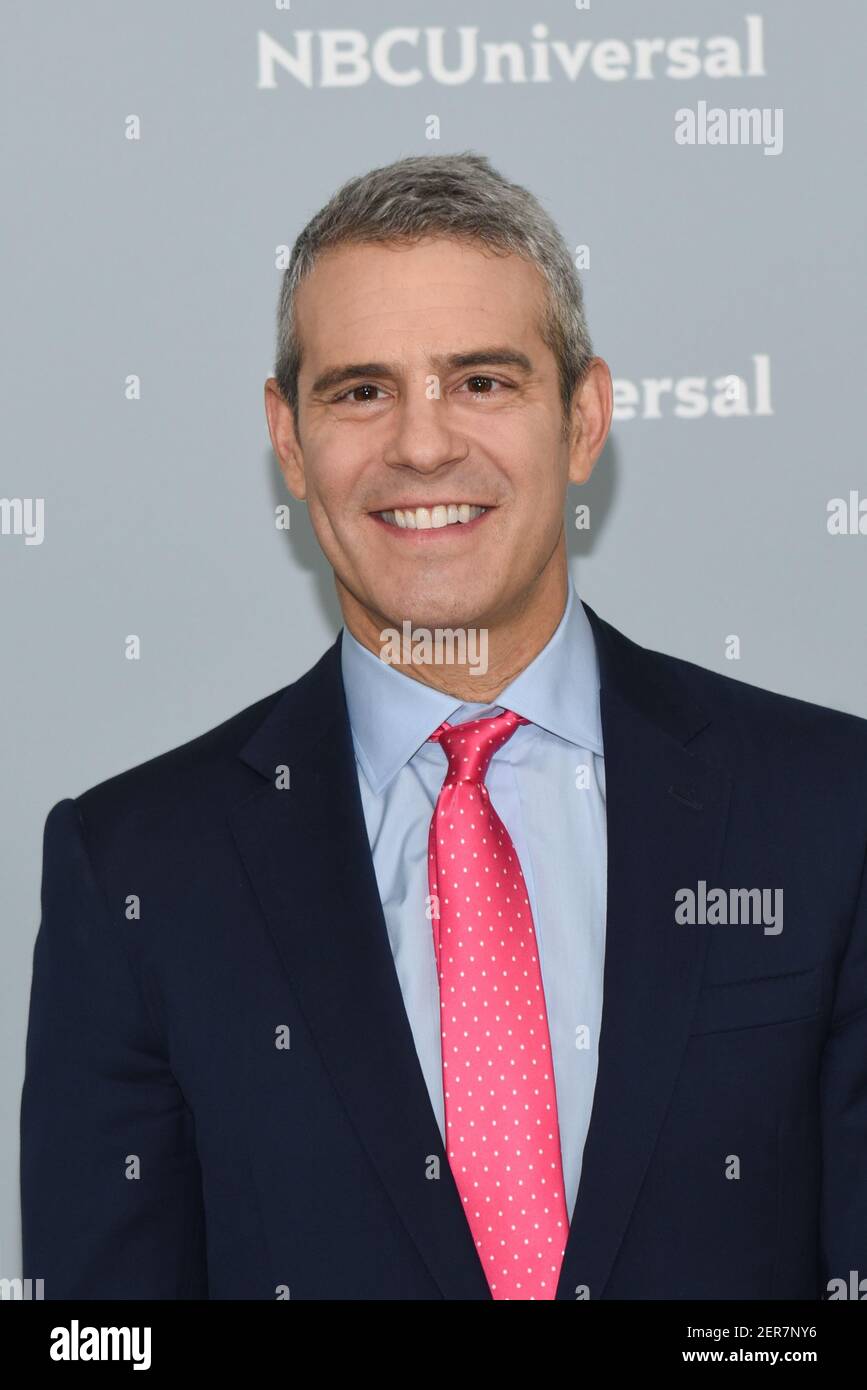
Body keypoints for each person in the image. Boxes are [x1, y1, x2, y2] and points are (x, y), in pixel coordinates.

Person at [20, 153, 867, 1300]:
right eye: (362, 391)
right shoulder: (131, 869)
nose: (422, 446)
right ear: (288, 437)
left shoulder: (831, 811)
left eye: (481, 381)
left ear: (583, 419)